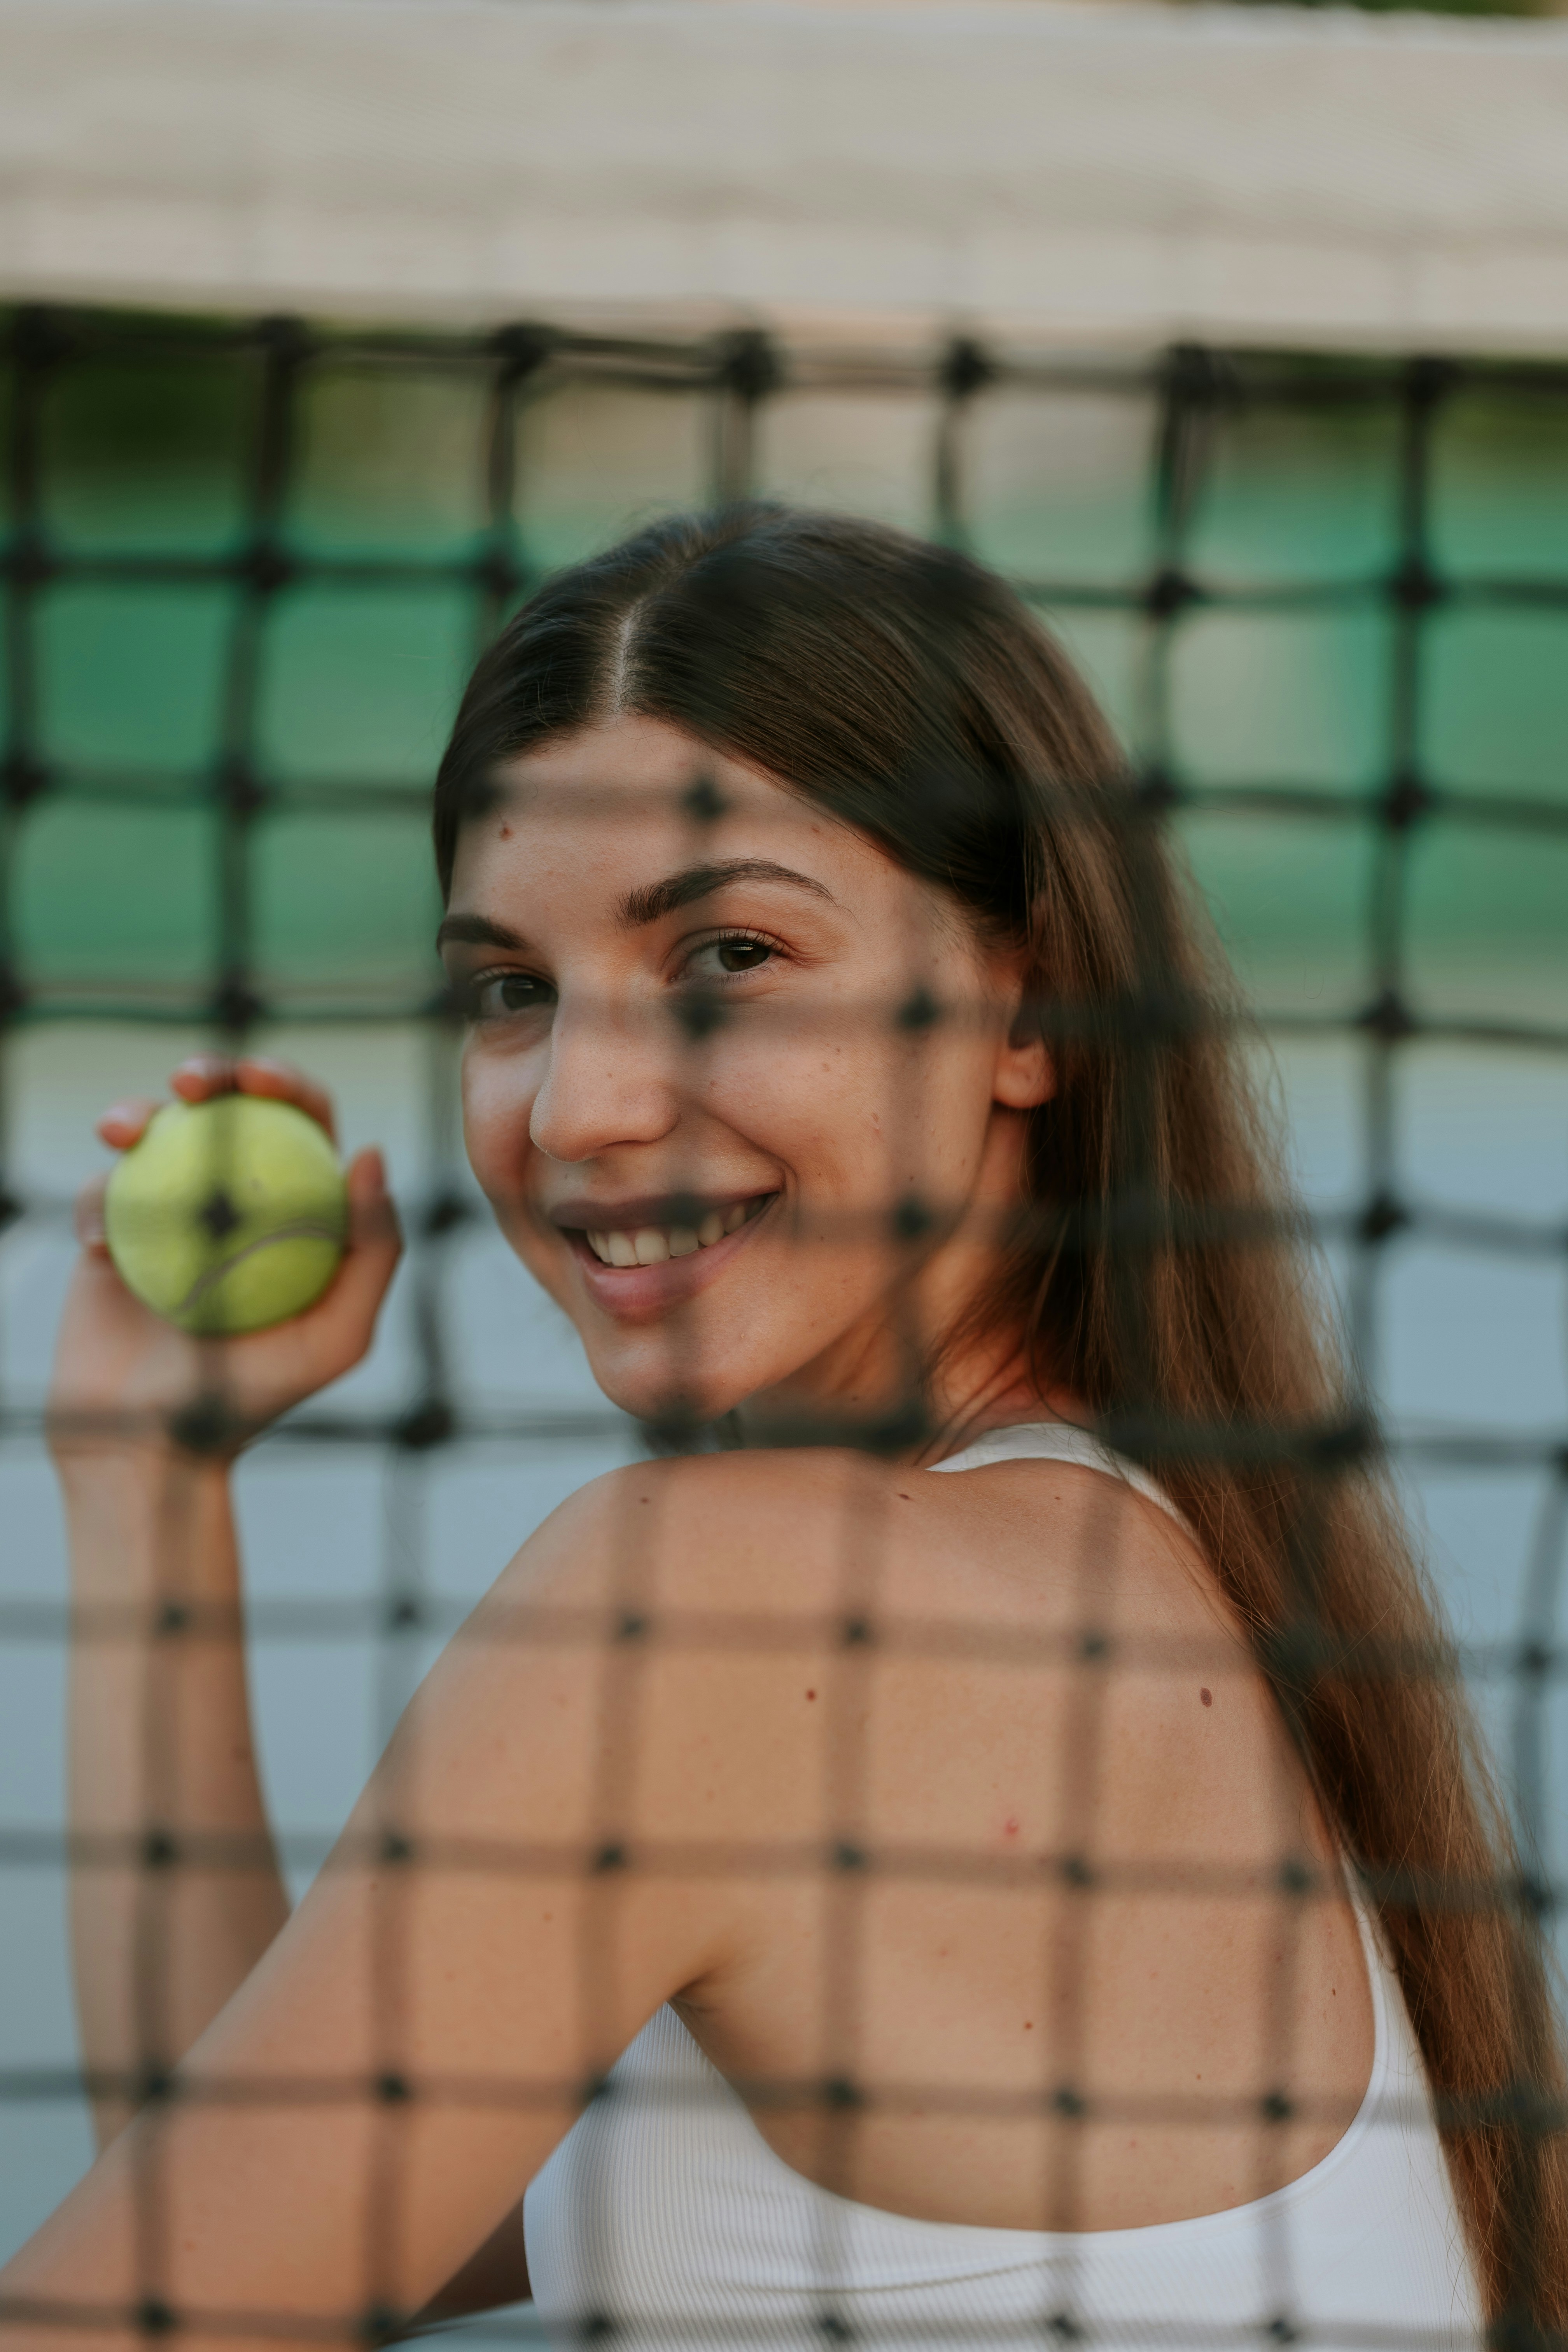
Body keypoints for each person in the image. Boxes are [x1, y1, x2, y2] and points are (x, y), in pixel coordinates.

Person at [5, 507, 1563, 2352]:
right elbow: (281, 2202)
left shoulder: (739, 1601)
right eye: (513, 990)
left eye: (729, 956)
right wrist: (149, 1493)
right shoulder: (1145, 1556)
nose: (579, 1107)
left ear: (1034, 1002)